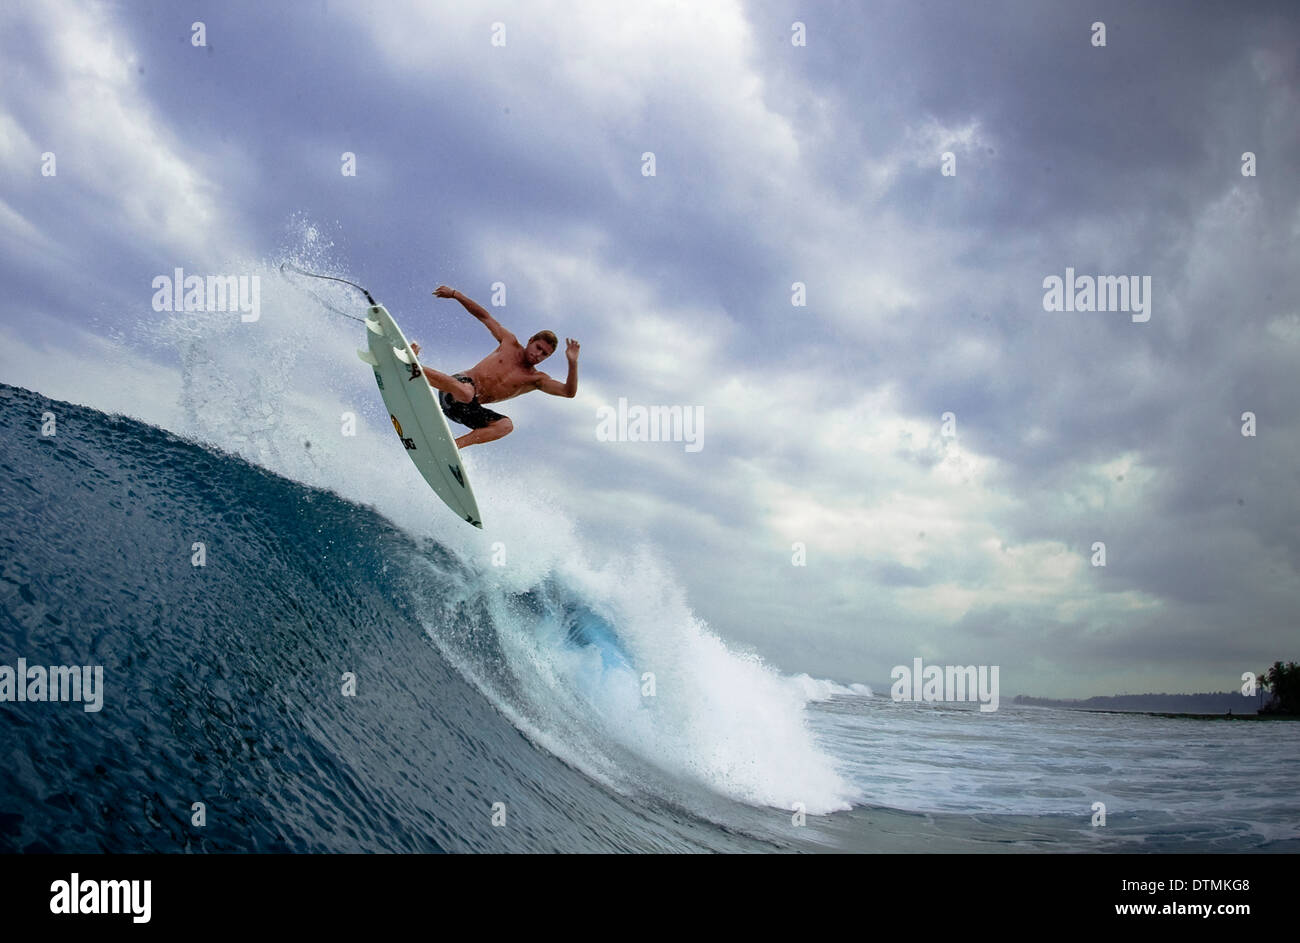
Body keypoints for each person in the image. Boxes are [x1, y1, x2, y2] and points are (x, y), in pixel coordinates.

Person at [409, 285, 579, 448]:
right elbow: (484, 316)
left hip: (466, 410)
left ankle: (453, 446)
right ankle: (414, 368)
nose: (538, 355)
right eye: (538, 348)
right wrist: (455, 294)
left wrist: (572, 363)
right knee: (467, 392)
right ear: (530, 341)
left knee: (506, 425)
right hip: (453, 391)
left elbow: (568, 392)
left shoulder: (536, 379)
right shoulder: (509, 342)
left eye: (544, 354)